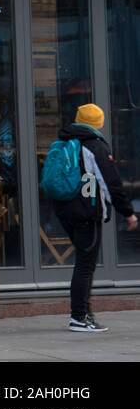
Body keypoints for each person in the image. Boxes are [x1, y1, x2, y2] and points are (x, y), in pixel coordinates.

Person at [53, 104, 137, 332]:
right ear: (99, 123)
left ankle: (84, 313)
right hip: (87, 212)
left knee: (84, 261)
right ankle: (79, 317)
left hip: (65, 210)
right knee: (85, 265)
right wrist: (127, 212)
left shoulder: (62, 142)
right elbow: (110, 183)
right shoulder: (94, 146)